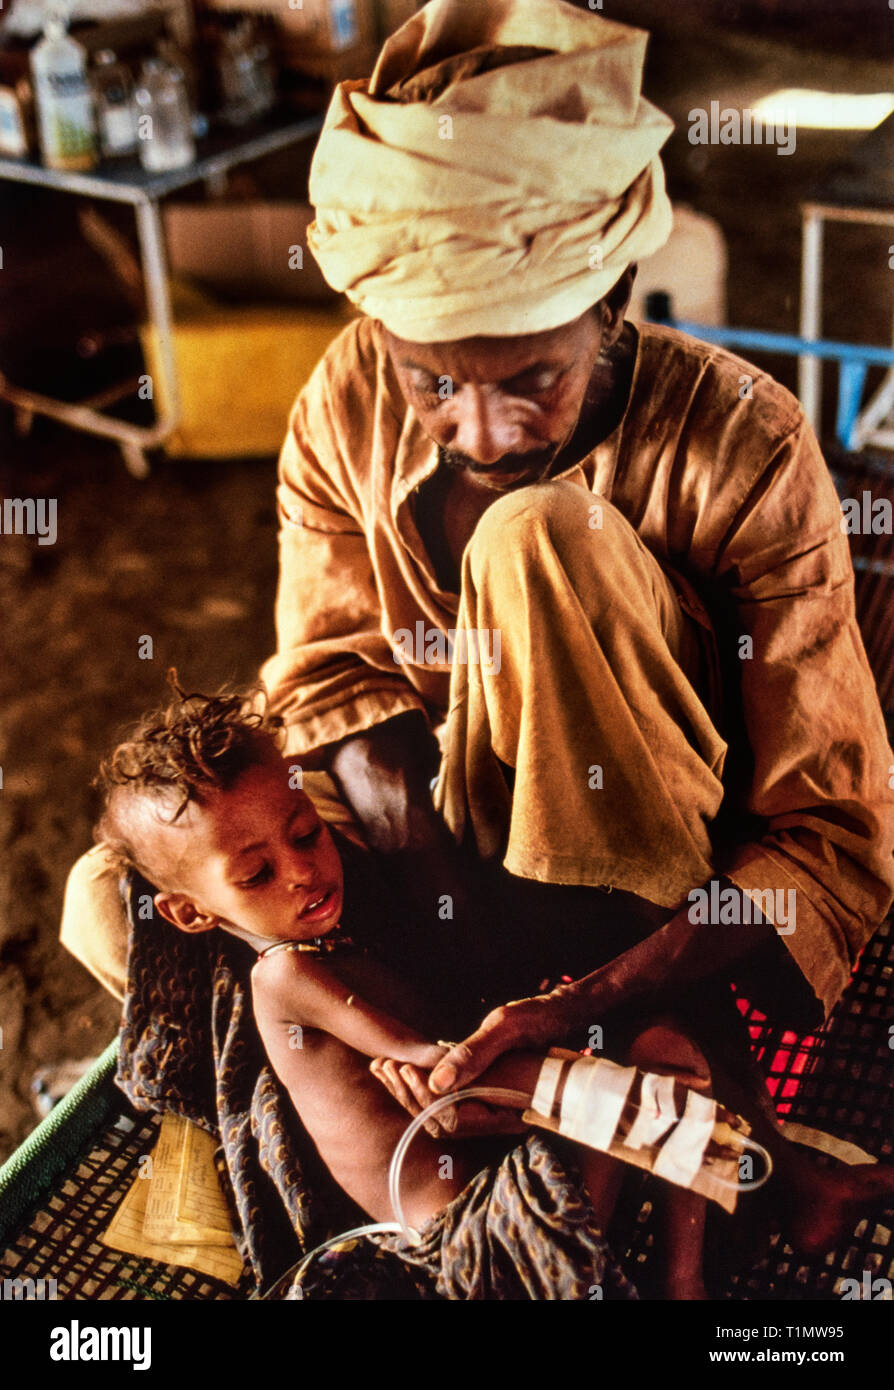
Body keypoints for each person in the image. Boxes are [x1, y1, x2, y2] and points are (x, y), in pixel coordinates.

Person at [253, 0, 894, 1142]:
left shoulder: (745, 439)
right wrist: (454, 919)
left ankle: (681, 1056)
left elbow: (828, 829)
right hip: (454, 836)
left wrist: (589, 995)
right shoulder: (346, 398)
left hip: (667, 865)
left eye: (531, 381)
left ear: (607, 304)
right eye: (431, 384)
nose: (484, 433)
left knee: (540, 537)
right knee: (139, 882)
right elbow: (327, 677)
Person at [97, 681, 759, 1299]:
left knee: (665, 1050)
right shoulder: (283, 979)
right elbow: (435, 1066)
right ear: (191, 912)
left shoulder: (345, 943)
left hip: (533, 1182)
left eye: (306, 834)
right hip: (477, 1241)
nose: (302, 870)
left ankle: (682, 1282)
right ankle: (661, 1135)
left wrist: (593, 1067)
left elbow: (457, 1078)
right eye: (257, 874)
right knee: (631, 1105)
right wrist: (593, 1082)